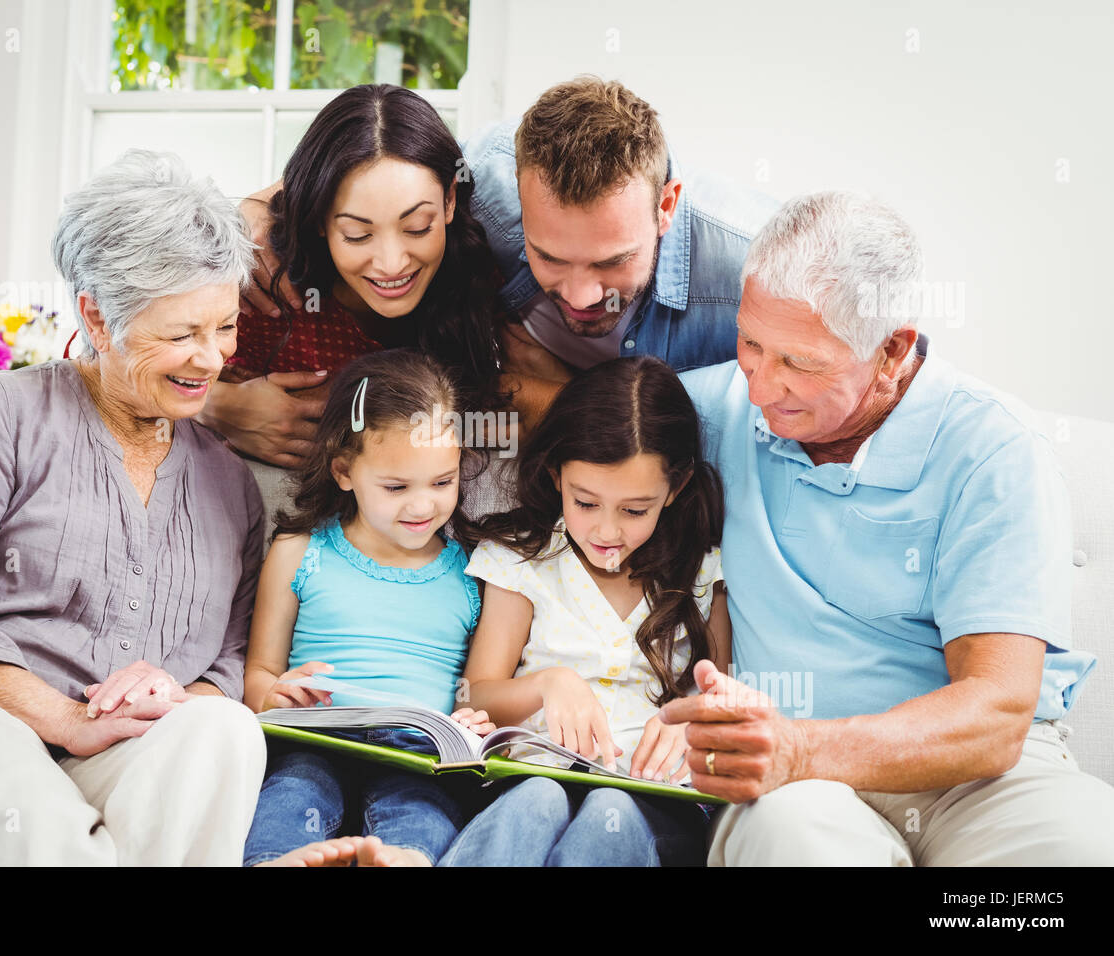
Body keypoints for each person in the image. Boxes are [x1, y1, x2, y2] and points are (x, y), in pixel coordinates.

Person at [0, 149, 267, 866]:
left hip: (110, 752)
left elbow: (228, 658)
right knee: (15, 786)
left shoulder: (229, 483)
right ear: (98, 319)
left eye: (223, 327)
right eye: (182, 334)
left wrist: (173, 689)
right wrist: (60, 717)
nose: (213, 358)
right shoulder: (4, 413)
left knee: (224, 731)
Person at [663, 190, 1114, 865]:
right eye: (750, 342)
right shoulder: (711, 408)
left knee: (1080, 849)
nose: (758, 387)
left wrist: (798, 746)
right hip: (805, 792)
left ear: (892, 350)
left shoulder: (994, 449)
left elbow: (996, 714)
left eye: (799, 364)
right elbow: (571, 430)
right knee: (793, 841)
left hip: (981, 783)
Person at [236, 77, 779, 459]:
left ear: (666, 206)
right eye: (549, 257)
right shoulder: (491, 185)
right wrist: (255, 209)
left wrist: (569, 394)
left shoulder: (755, 268)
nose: (584, 296)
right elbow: (375, 156)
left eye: (612, 261)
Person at [438, 356, 729, 867]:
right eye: (586, 503)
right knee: (538, 798)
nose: (607, 532)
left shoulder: (702, 573)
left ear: (676, 489)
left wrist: (697, 725)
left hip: (658, 801)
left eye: (635, 510)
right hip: (533, 779)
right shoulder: (523, 561)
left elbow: (725, 702)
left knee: (609, 810)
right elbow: (476, 692)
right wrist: (547, 683)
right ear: (555, 476)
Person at [240, 349, 495, 867]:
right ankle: (276, 860)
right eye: (396, 487)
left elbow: (475, 687)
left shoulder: (473, 573)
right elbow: (258, 674)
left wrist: (472, 721)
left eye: (443, 482)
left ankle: (404, 859)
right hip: (315, 737)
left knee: (423, 810)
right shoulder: (299, 552)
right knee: (294, 791)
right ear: (344, 472)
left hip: (417, 755)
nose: (423, 506)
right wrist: (275, 694)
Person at [198, 84, 507, 469]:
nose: (392, 264)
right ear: (320, 221)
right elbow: (121, 363)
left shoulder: (480, 273)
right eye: (358, 235)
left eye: (417, 227)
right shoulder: (264, 284)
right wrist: (213, 406)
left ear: (449, 201)